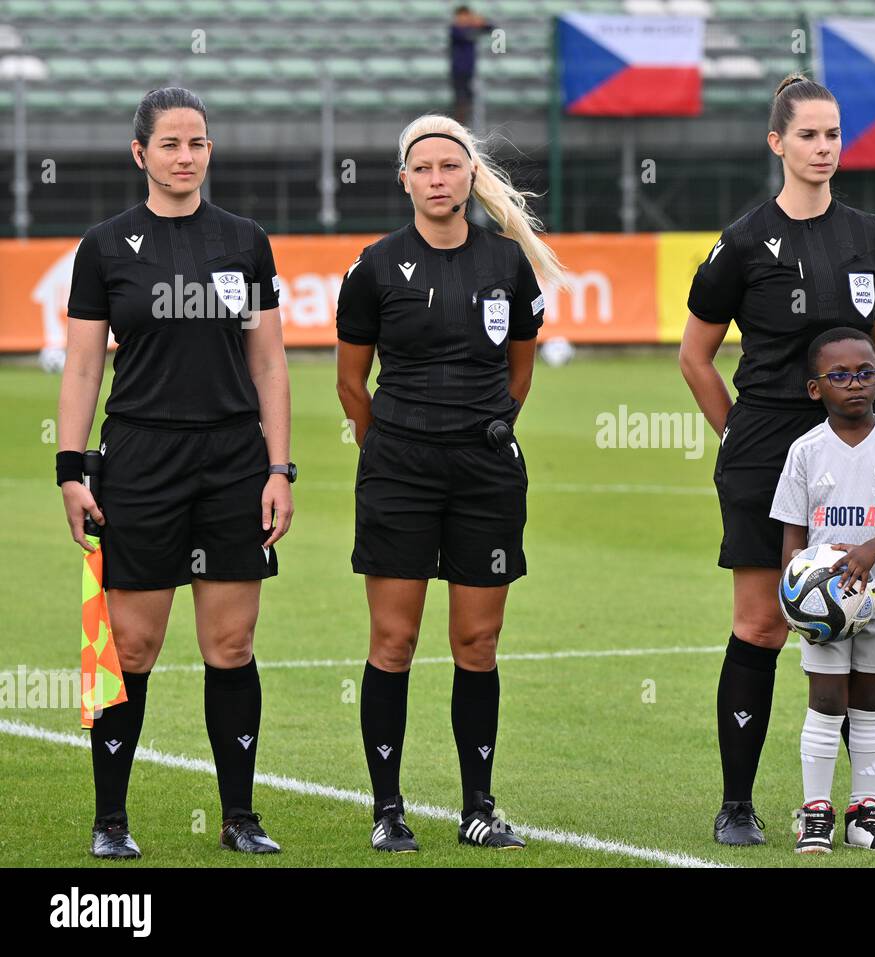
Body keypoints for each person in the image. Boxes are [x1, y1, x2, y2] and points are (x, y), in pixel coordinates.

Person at [680, 72, 875, 846]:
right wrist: (738, 437)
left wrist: (862, 408)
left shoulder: (868, 233)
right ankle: (737, 803)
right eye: (809, 135)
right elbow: (695, 356)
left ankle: (867, 804)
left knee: (855, 620)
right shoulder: (744, 240)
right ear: (777, 142)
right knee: (762, 626)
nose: (824, 148)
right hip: (764, 449)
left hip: (852, 451)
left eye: (834, 134)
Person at [59, 87, 293, 858]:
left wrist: (279, 467)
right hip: (140, 460)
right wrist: (70, 467)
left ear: (209, 152)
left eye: (197, 143)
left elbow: (269, 362)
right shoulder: (103, 246)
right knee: (131, 648)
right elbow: (85, 363)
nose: (185, 156)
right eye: (170, 144)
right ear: (140, 154)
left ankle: (239, 817)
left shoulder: (246, 240)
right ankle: (110, 821)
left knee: (231, 643)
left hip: (232, 461)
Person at [335, 113, 565, 852]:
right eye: (423, 168)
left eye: (451, 166)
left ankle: (477, 806)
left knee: (478, 641)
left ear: (471, 175)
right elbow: (350, 380)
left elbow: (520, 367)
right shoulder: (373, 267)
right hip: (399, 472)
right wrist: (396, 447)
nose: (438, 180)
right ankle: (387, 808)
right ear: (403, 178)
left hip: (485, 472)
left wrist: (485, 428)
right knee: (394, 640)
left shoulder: (506, 263)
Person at [771, 328, 875, 853]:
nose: (855, 384)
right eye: (839, 376)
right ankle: (814, 814)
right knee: (825, 701)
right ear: (815, 389)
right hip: (825, 607)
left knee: (871, 701)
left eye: (865, 373)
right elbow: (792, 538)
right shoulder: (804, 451)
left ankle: (866, 813)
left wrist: (868, 551)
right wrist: (800, 585)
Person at [450, 5, 495, 126]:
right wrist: (475, 23)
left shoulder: (469, 28)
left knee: (469, 98)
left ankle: (466, 124)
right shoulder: (455, 29)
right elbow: (467, 35)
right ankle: (459, 125)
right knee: (460, 99)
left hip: (470, 70)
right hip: (458, 70)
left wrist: (480, 21)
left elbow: (492, 28)